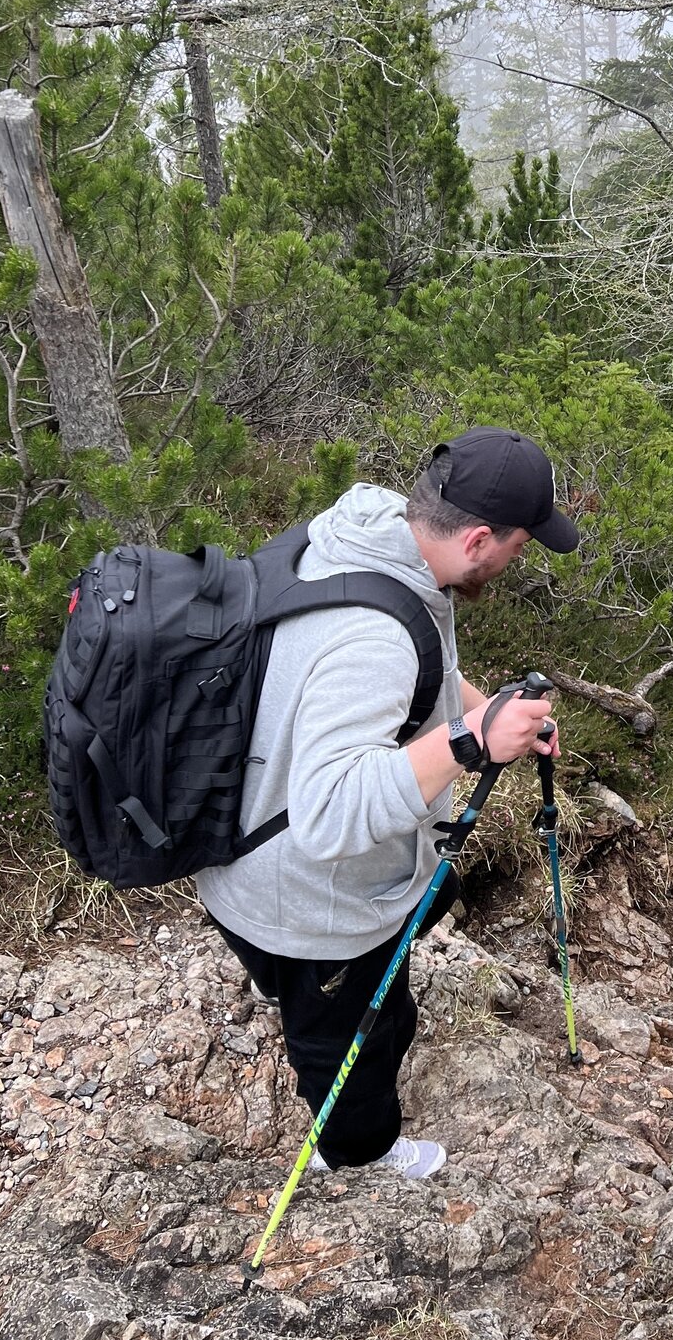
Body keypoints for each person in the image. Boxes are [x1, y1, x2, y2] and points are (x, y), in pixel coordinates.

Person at [196, 429, 577, 1179]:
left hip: (250, 829)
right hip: (301, 900)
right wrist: (471, 743)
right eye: (520, 546)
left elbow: (427, 678)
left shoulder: (374, 540)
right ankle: (359, 1155)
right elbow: (332, 814)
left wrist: (490, 710)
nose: (519, 560)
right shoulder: (374, 638)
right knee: (356, 1040)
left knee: (424, 915)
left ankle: (299, 993)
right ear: (476, 539)